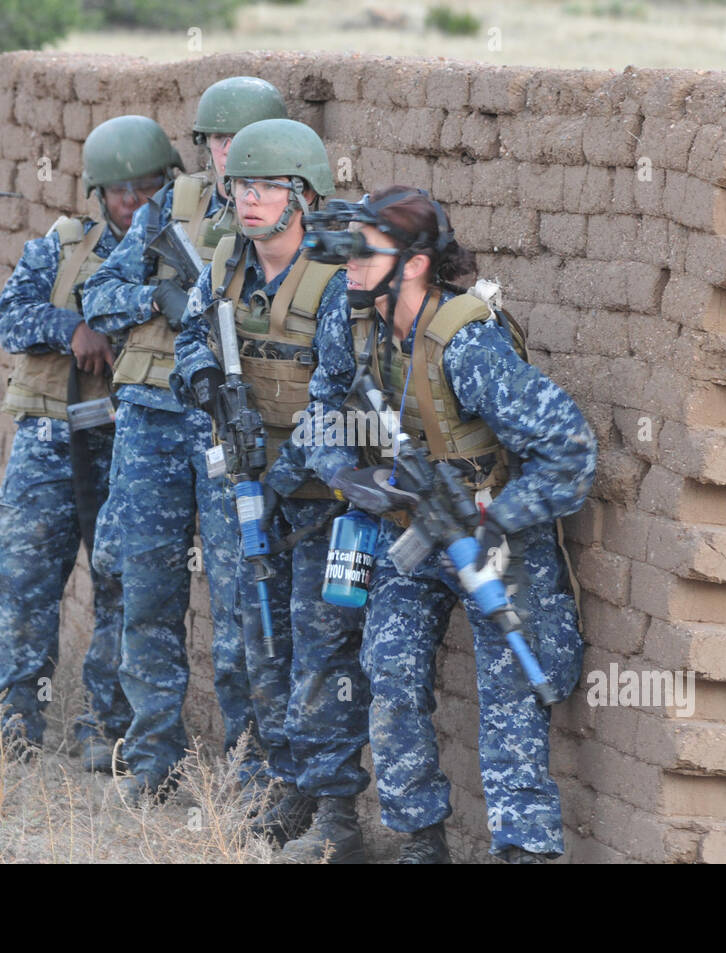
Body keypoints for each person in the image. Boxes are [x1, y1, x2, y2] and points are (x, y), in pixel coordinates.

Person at [315, 187, 596, 862]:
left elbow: (572, 449)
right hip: (410, 530)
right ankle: (418, 838)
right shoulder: (353, 321)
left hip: (489, 536)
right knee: (389, 673)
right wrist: (344, 472)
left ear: (412, 264)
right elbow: (322, 398)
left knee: (513, 696)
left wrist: (501, 519)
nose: (347, 263)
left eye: (364, 251)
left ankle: (524, 848)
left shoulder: (468, 346)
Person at [80, 79, 286, 797]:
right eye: (216, 141)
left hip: (227, 421)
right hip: (150, 416)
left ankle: (248, 771)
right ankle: (150, 758)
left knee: (238, 603)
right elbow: (98, 297)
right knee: (147, 590)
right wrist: (159, 298)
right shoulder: (176, 207)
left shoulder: (288, 215)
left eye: (241, 140)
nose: (227, 155)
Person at [173, 118, 371, 862]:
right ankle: (288, 784)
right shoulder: (226, 262)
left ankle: (338, 816)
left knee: (324, 653)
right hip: (255, 485)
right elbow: (192, 336)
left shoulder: (333, 280)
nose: (250, 200)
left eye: (268, 188)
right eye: (242, 186)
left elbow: (343, 397)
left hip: (321, 496)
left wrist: (278, 477)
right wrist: (207, 386)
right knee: (264, 641)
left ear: (306, 196)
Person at [0, 116, 165, 770]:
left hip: (133, 441)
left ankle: (103, 725)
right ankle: (15, 719)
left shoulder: (182, 253)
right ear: (99, 193)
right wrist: (72, 327)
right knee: (21, 569)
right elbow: (11, 317)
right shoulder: (62, 245)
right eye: (120, 191)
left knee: (119, 582)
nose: (132, 203)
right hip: (53, 436)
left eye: (146, 190)